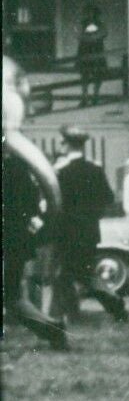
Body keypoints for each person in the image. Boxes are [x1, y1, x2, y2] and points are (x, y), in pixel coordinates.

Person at [3, 56, 68, 348]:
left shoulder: (13, 166)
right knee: (13, 298)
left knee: (13, 298)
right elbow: (30, 202)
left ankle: (55, 331)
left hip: (9, 238)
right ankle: (54, 330)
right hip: (14, 239)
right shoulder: (17, 165)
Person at [47, 128, 126, 324]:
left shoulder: (61, 171)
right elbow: (108, 197)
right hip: (89, 231)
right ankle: (107, 306)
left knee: (67, 274)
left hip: (66, 232)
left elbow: (55, 203)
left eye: (62, 142)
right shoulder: (95, 169)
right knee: (82, 272)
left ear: (67, 145)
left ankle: (69, 314)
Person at [76, 3, 108, 105]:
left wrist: (92, 37)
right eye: (89, 12)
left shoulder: (100, 24)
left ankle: (95, 95)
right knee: (84, 74)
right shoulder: (82, 24)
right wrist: (89, 38)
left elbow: (104, 33)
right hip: (85, 51)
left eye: (93, 13)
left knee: (98, 74)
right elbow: (79, 35)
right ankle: (84, 96)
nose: (91, 15)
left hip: (97, 51)